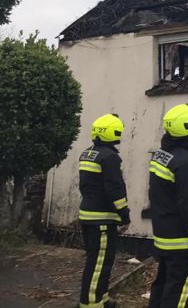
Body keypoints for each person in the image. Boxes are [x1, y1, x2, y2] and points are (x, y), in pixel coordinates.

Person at [147, 103, 188, 308]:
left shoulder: (162, 155)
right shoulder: (186, 162)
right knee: (181, 293)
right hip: (184, 243)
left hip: (164, 238)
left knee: (163, 286)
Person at [78, 113, 130, 308]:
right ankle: (91, 303)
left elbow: (86, 187)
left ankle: (101, 298)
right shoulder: (110, 157)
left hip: (88, 216)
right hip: (102, 220)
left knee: (100, 261)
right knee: (99, 264)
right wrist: (124, 215)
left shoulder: (88, 154)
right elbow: (115, 189)